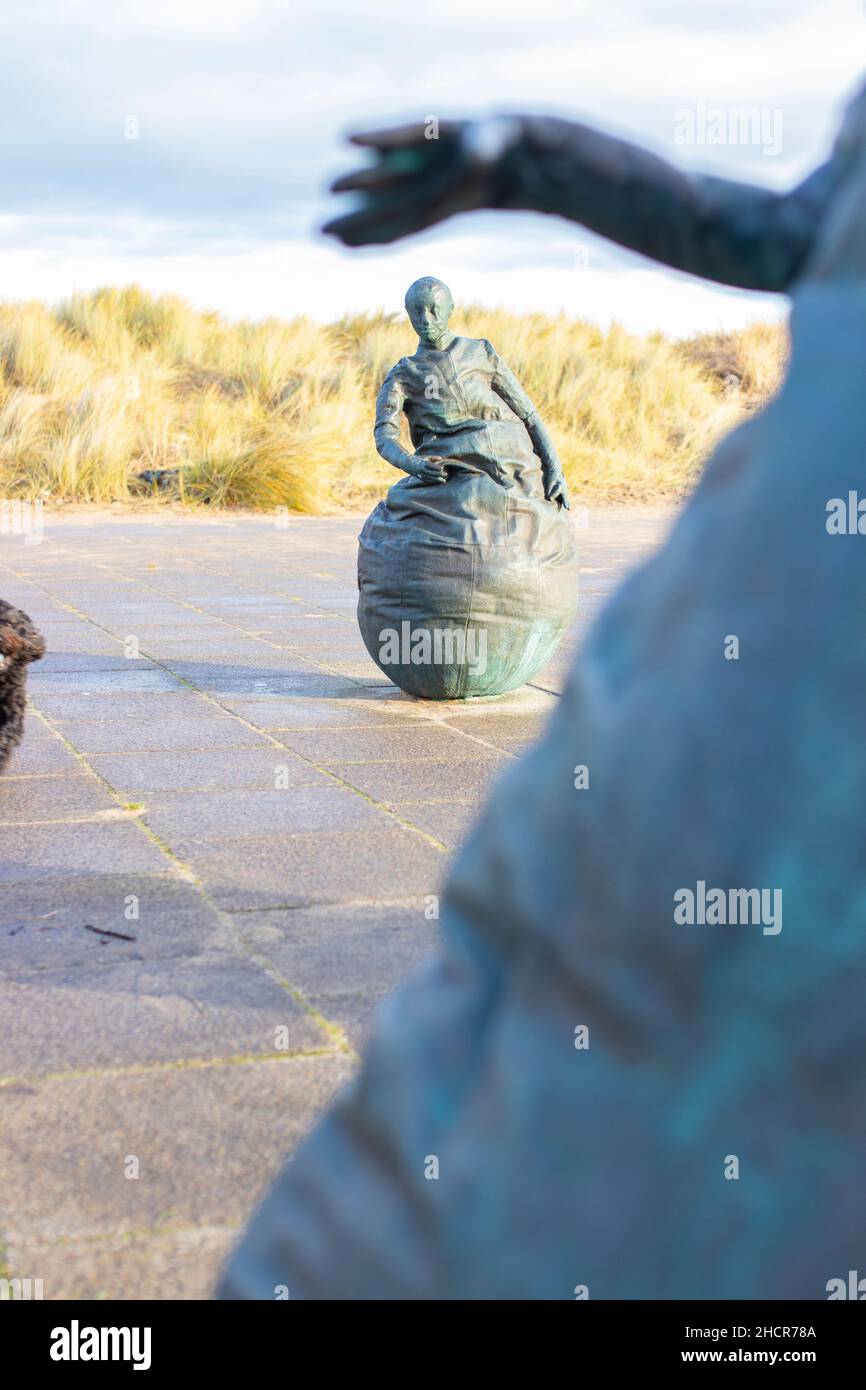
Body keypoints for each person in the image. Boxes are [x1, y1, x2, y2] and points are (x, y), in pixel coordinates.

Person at [219, 79, 866, 1299]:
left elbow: (529, 415)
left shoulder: (486, 362)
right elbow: (786, 234)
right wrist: (527, 163)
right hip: (724, 636)